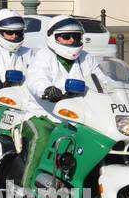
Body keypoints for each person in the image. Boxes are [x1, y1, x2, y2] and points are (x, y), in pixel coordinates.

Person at [23, 16, 104, 185]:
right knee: (42, 137)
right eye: (66, 36)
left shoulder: (87, 58)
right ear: (53, 37)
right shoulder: (43, 56)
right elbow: (35, 78)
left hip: (79, 118)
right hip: (43, 116)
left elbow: (103, 81)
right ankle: (27, 191)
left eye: (76, 36)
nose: (72, 40)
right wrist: (47, 89)